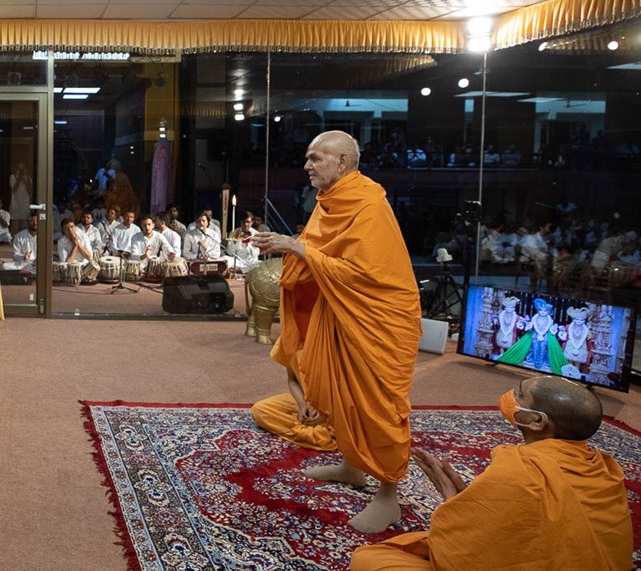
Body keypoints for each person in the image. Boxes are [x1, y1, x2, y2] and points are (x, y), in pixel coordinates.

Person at [253, 130, 421, 533]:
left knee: (378, 407)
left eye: (316, 158)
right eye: (308, 158)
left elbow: (365, 275)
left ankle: (388, 495)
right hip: (339, 310)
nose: (307, 166)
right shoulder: (329, 203)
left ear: (343, 162)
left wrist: (296, 249)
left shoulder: (368, 206)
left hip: (378, 319)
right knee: (337, 393)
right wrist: (293, 249)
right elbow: (320, 254)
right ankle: (351, 466)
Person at [351, 376, 633, 570]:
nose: (511, 396)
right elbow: (525, 527)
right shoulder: (606, 468)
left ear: (536, 421)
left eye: (520, 394)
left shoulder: (518, 468)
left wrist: (451, 501)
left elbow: (464, 555)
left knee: (369, 559)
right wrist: (466, 499)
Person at [251, 339, 337, 451]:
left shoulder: (326, 333)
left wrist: (324, 410)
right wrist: (302, 405)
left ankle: (316, 433)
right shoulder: (289, 337)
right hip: (306, 400)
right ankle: (317, 434)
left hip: (335, 404)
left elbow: (345, 385)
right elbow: (293, 380)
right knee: (260, 410)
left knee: (352, 424)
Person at [497, 297, 570, 374]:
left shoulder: (549, 320)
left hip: (545, 337)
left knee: (544, 349)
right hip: (535, 336)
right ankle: (531, 360)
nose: (542, 312)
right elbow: (531, 325)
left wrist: (551, 331)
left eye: (545, 311)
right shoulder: (535, 318)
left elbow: (550, 329)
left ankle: (541, 363)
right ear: (538, 310)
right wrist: (529, 326)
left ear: (548, 312)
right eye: (541, 310)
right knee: (533, 348)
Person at [55, 217, 98, 282]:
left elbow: (89, 257)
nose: (70, 230)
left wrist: (78, 243)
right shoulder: (61, 241)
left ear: (75, 227)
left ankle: (82, 278)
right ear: (63, 231)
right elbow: (67, 262)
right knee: (64, 266)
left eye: (72, 227)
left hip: (84, 265)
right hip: (70, 268)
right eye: (67, 228)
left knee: (93, 264)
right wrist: (75, 246)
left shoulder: (83, 235)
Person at [9, 163, 32, 232]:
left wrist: (25, 178)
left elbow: (30, 189)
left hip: (24, 205)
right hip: (15, 204)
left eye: (23, 169)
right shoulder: (13, 177)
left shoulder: (28, 178)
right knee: (15, 228)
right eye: (20, 169)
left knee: (24, 228)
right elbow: (14, 189)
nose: (21, 171)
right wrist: (19, 179)